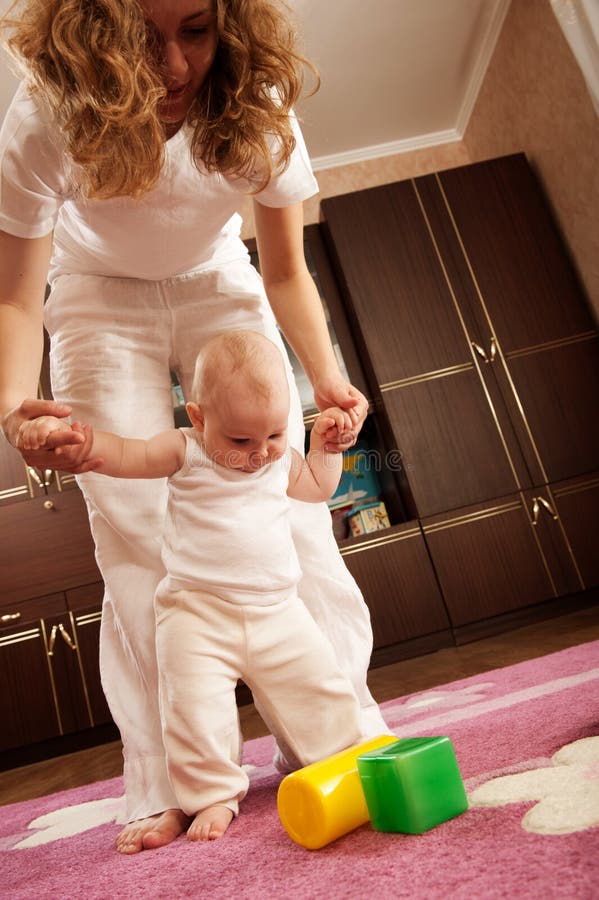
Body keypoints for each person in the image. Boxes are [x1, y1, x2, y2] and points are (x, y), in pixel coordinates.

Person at [0, 0, 388, 854]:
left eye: (196, 30)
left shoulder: (258, 97)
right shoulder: (43, 114)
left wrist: (324, 380)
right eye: (142, 36)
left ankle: (339, 733)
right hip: (95, 292)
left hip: (217, 277)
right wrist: (11, 405)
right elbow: (16, 296)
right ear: (93, 33)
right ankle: (169, 778)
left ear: (231, 25)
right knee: (134, 529)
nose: (173, 67)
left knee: (281, 498)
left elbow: (283, 267)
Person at [19, 329, 368, 841]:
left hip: (278, 611)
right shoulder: (185, 450)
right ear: (200, 418)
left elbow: (317, 488)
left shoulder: (278, 457)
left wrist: (325, 446)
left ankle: (342, 762)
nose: (258, 453)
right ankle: (212, 796)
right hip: (196, 612)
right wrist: (90, 448)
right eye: (240, 441)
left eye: (272, 435)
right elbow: (131, 455)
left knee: (319, 690)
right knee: (193, 710)